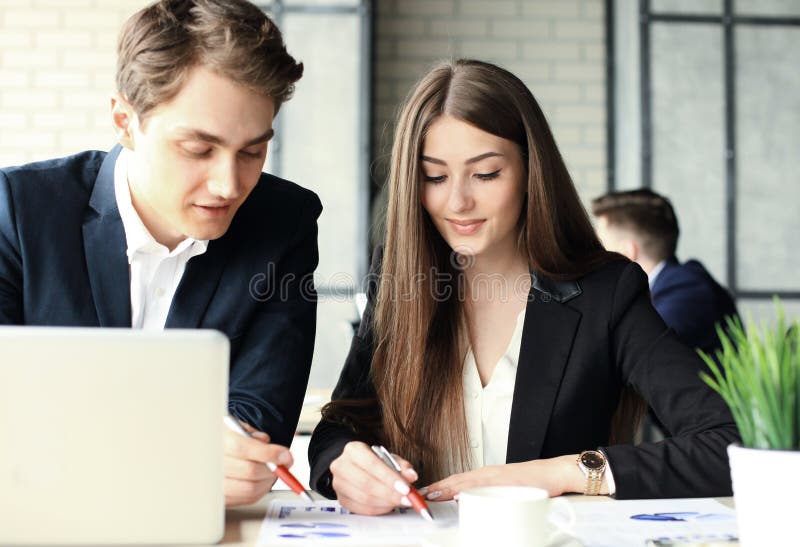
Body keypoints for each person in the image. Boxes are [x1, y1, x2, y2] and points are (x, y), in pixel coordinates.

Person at [308, 59, 739, 515]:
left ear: (531, 171)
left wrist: (557, 474)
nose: (457, 201)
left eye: (486, 173)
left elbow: (728, 443)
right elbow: (340, 426)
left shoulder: (605, 292)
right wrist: (345, 463)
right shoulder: (399, 282)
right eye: (434, 177)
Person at [0, 0, 320, 506]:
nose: (228, 184)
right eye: (198, 149)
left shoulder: (285, 226)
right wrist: (178, 454)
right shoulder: (18, 211)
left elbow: (257, 428)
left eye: (253, 151)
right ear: (125, 121)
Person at [592, 189, 739, 355]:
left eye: (600, 246)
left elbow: (632, 352)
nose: (593, 256)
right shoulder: (672, 287)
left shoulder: (687, 290)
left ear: (626, 252)